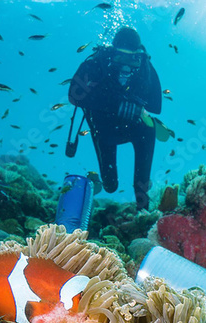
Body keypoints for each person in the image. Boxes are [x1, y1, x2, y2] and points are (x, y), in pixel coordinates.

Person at [69, 27, 161, 211]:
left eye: (131, 58)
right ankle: (106, 182)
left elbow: (156, 106)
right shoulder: (97, 64)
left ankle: (142, 206)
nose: (126, 66)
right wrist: (116, 105)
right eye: (120, 57)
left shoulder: (144, 68)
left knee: (150, 129)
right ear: (112, 53)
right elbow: (73, 95)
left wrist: (135, 104)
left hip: (132, 126)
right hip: (104, 128)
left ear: (139, 55)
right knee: (111, 186)